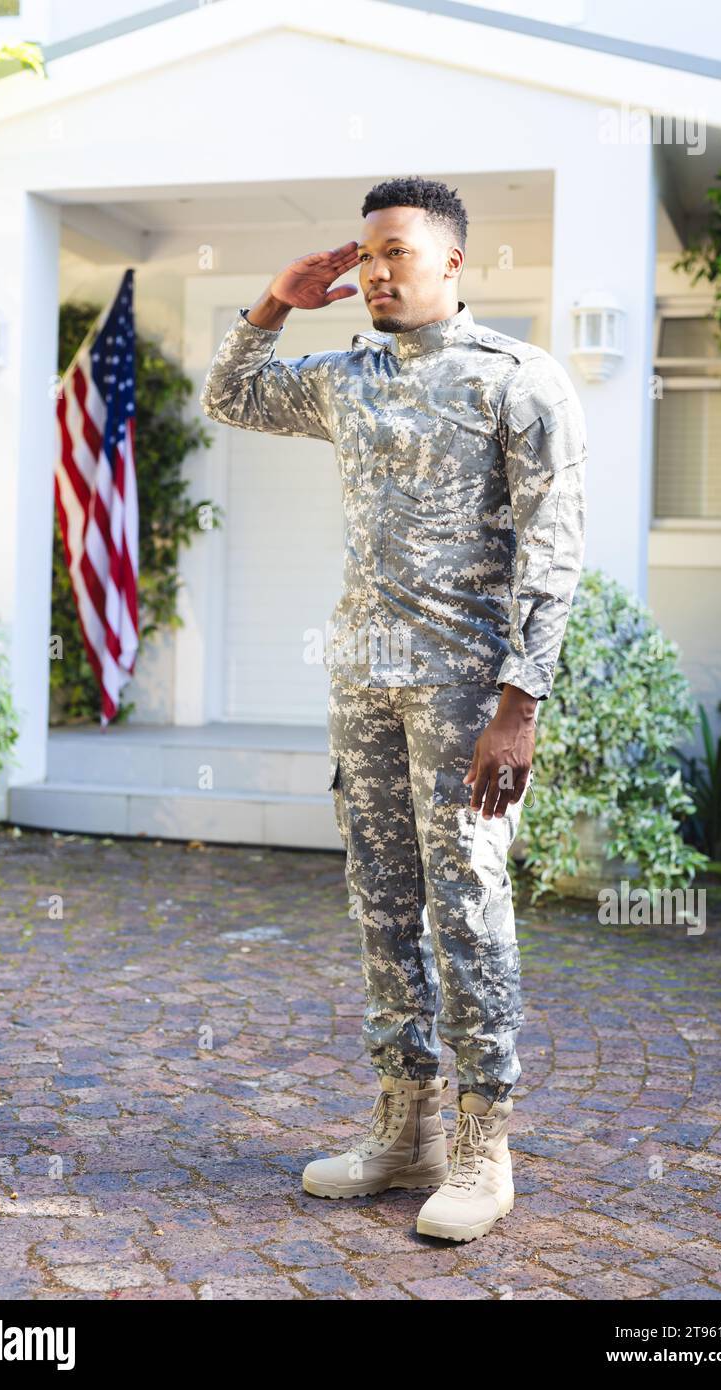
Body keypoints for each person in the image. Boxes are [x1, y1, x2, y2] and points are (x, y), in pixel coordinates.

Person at [200, 176, 587, 1242]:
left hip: (469, 691)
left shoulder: (520, 380)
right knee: (382, 900)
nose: (374, 269)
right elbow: (228, 397)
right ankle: (403, 1123)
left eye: (397, 252)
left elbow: (555, 550)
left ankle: (482, 1139)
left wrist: (522, 702)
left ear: (452, 263)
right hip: (364, 683)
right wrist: (275, 303)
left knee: (468, 902)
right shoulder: (351, 378)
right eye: (364, 253)